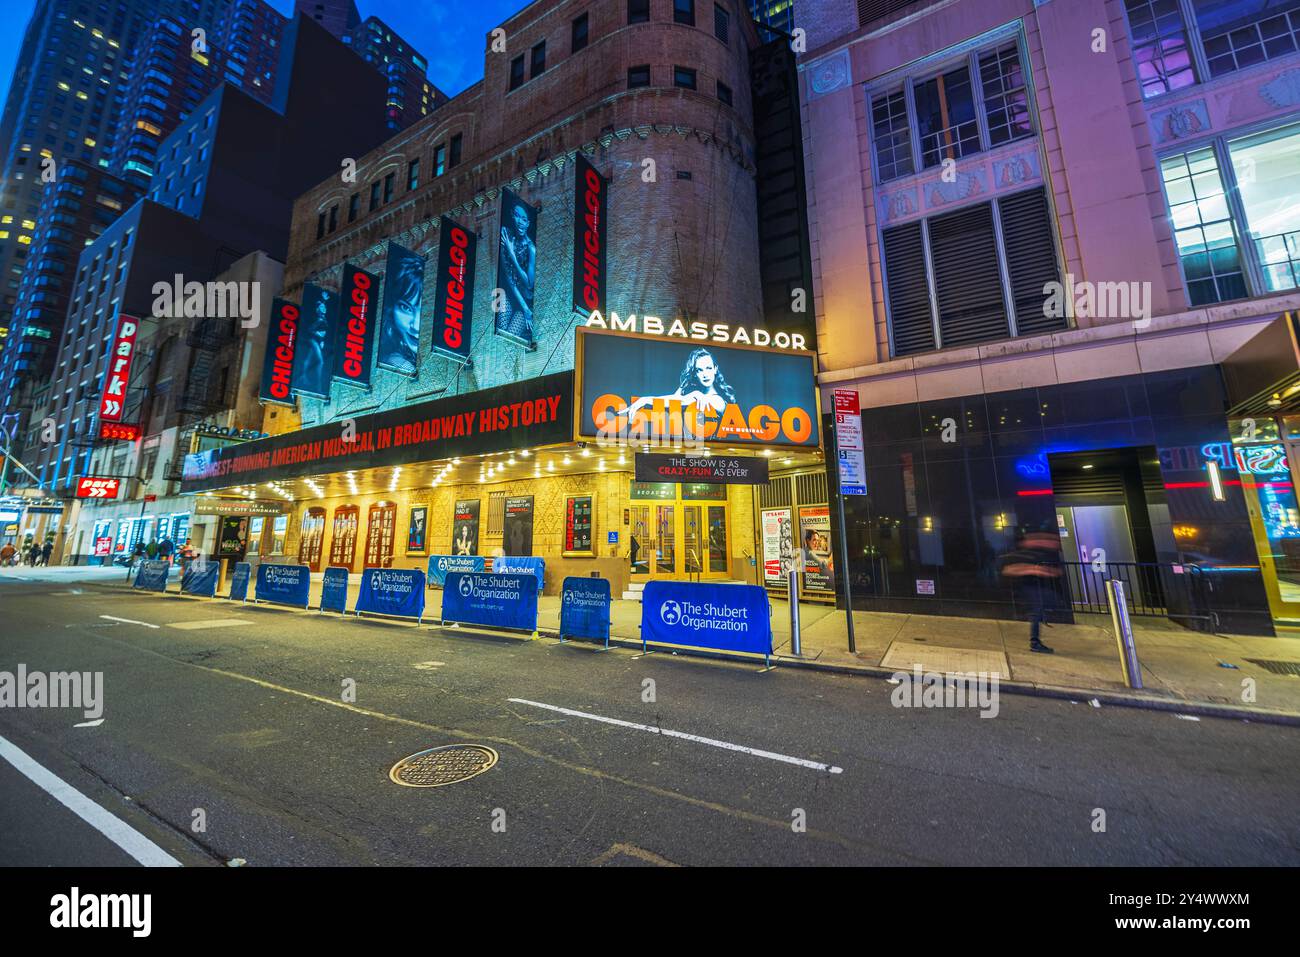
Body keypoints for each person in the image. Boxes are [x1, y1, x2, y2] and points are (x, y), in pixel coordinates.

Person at [619, 347, 739, 422]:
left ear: (715, 369)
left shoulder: (718, 401)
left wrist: (696, 394)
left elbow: (680, 401)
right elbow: (674, 399)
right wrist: (645, 400)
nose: (705, 374)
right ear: (695, 373)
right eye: (699, 370)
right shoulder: (694, 394)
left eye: (708, 368)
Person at [1001, 526, 1063, 653]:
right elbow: (1008, 569)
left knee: (1040, 609)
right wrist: (1034, 570)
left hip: (1035, 586)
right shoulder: (1020, 555)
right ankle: (1035, 642)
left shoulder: (1037, 554)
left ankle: (1035, 639)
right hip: (1029, 587)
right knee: (1036, 611)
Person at [497, 197, 536, 344]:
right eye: (517, 216)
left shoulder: (531, 248)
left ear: (528, 223)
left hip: (526, 301)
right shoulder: (506, 234)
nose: (520, 221)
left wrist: (512, 254)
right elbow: (508, 276)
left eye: (524, 219)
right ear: (512, 216)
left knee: (509, 335)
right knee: (500, 329)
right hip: (509, 292)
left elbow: (529, 283)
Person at [377, 254, 423, 375]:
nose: (415, 326)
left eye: (422, 309)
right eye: (405, 308)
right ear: (391, 308)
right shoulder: (396, 362)